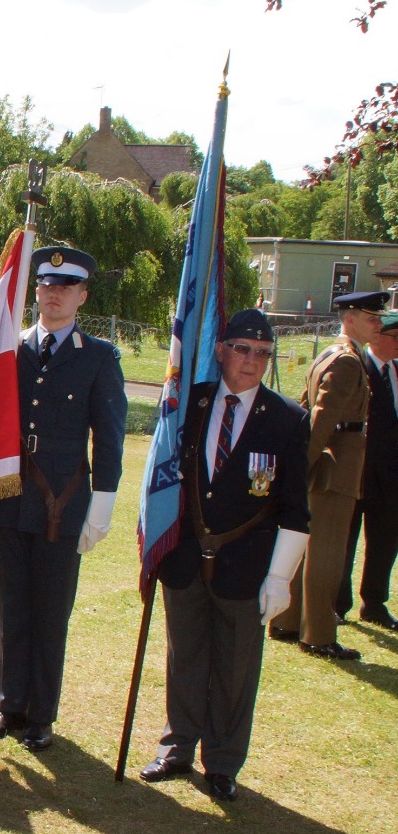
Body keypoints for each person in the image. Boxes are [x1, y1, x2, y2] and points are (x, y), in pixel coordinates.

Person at [139, 310, 309, 802]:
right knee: (185, 657)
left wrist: (280, 578)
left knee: (236, 668)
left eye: (262, 353)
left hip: (246, 563)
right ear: (220, 350)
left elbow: (297, 509)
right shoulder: (189, 404)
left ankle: (223, 761)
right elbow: (163, 475)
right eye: (241, 349)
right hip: (185, 556)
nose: (251, 360)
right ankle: (177, 747)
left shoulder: (287, 419)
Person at [0, 245, 127, 751]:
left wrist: (102, 506)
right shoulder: (10, 350)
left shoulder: (99, 357)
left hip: (62, 503)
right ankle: (10, 705)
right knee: (13, 607)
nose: (54, 294)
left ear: (83, 296)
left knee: (50, 611)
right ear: (35, 291)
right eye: (45, 285)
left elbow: (109, 438)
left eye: (66, 287)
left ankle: (41, 714)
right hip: (12, 496)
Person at [269, 290, 388, 660]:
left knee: (309, 549)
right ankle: (318, 634)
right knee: (328, 554)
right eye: (371, 318)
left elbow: (307, 410)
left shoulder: (330, 354)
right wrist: (300, 467)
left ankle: (288, 621)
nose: (378, 324)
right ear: (350, 318)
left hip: (326, 463)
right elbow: (320, 419)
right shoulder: (348, 361)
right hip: (336, 467)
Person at [335, 303, 398, 629]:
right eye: (395, 336)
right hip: (356, 472)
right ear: (378, 337)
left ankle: (374, 603)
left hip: (390, 477)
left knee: (385, 541)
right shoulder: (357, 366)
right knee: (345, 540)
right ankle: (337, 603)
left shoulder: (396, 371)